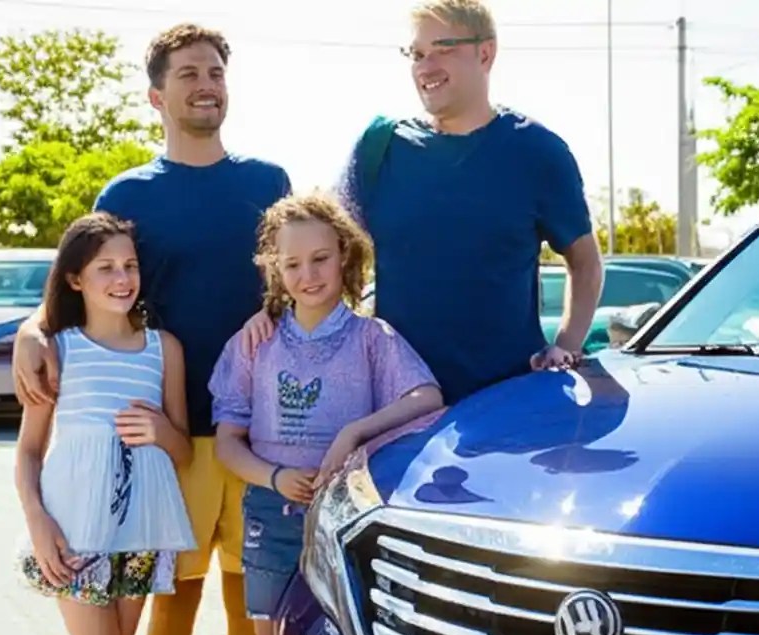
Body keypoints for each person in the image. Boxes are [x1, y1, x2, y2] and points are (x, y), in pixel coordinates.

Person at [10, 22, 290, 635]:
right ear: (156, 96)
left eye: (216, 72)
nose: (206, 84)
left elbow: (293, 290)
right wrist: (28, 329)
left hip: (259, 434)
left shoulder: (267, 182)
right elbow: (81, 276)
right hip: (168, 438)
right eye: (189, 74)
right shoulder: (128, 191)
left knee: (251, 608)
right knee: (175, 604)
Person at [241, 0, 604, 405]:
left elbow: (585, 262)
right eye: (416, 54)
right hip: (395, 405)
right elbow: (320, 248)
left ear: (486, 53)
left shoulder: (538, 153)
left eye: (443, 49)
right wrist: (276, 311)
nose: (425, 67)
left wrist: (566, 345)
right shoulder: (380, 147)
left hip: (507, 403)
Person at [209, 193, 443, 635]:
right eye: (291, 264)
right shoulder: (255, 345)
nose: (308, 274)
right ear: (274, 269)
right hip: (271, 513)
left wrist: (355, 433)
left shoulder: (371, 338)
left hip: (344, 513)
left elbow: (426, 397)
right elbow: (228, 441)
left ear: (345, 256)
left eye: (320, 259)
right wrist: (274, 475)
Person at [12, 212, 196, 635]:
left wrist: (161, 433)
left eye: (129, 266)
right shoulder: (58, 349)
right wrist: (38, 523)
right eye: (105, 269)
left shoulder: (165, 349)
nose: (122, 279)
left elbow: (183, 453)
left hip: (142, 534)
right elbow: (29, 450)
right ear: (76, 279)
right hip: (74, 537)